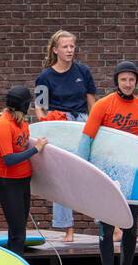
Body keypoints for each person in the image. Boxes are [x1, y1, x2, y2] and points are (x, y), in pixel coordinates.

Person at [80, 61, 138, 265]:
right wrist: (83, 172)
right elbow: (86, 139)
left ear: (136, 81)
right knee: (106, 228)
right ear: (116, 81)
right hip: (107, 172)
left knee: (130, 227)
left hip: (132, 173)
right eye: (123, 79)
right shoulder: (103, 105)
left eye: (131, 79)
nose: (127, 83)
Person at [33, 30, 97, 242]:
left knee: (92, 173)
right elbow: (40, 109)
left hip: (81, 124)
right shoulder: (45, 76)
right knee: (62, 176)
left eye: (72, 46)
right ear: (55, 50)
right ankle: (67, 228)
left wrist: (93, 126)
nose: (70, 50)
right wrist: (47, 127)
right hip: (58, 124)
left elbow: (92, 103)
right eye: (65, 47)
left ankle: (108, 223)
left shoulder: (83, 71)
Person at [0, 85, 46, 256]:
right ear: (24, 105)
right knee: (18, 233)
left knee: (19, 229)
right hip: (8, 183)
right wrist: (35, 149)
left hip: (23, 181)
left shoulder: (22, 123)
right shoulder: (3, 125)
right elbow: (8, 159)